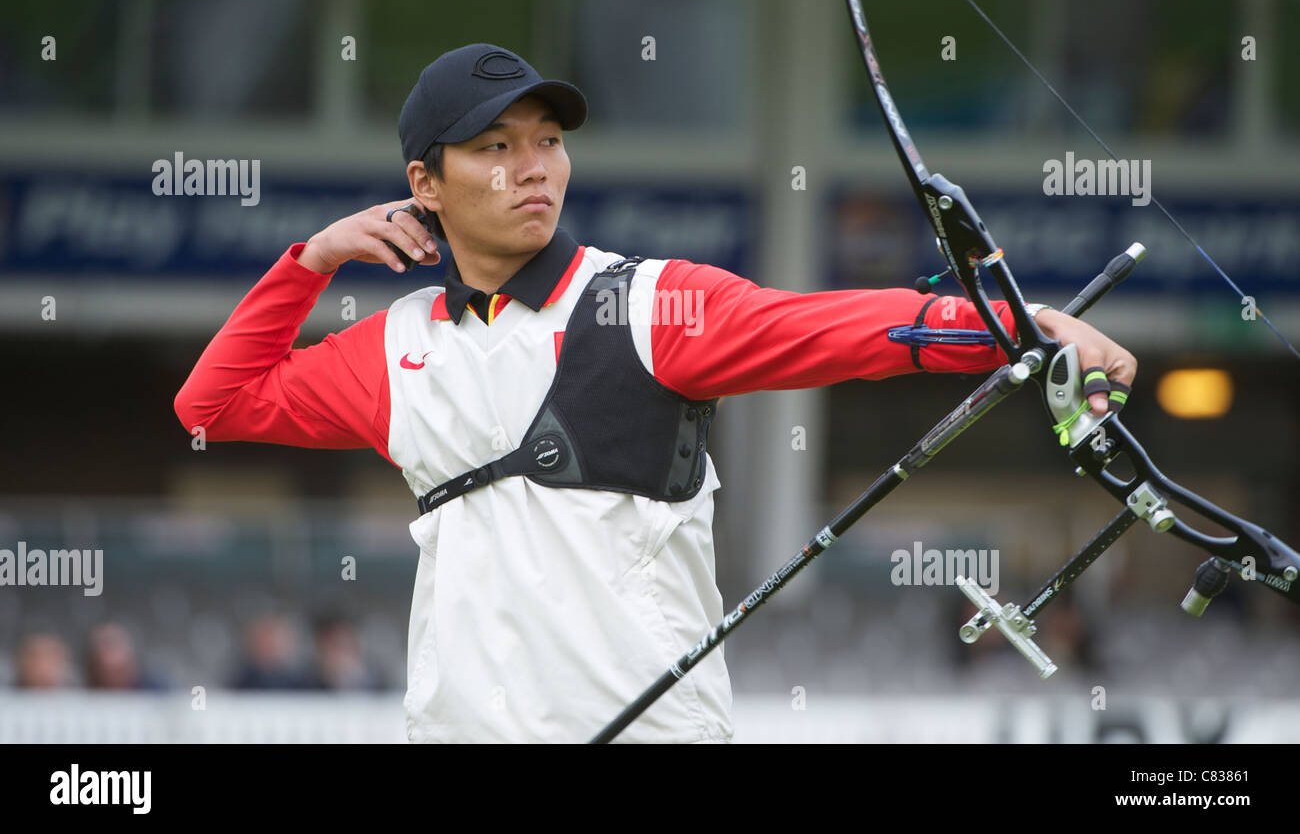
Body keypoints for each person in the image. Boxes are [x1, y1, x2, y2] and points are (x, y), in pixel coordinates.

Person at [174, 42, 1136, 743]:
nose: (532, 167)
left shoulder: (646, 300)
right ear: (424, 182)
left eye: (546, 140)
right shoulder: (397, 344)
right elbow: (211, 405)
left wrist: (1019, 327)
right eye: (494, 148)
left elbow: (824, 329)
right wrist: (312, 257)